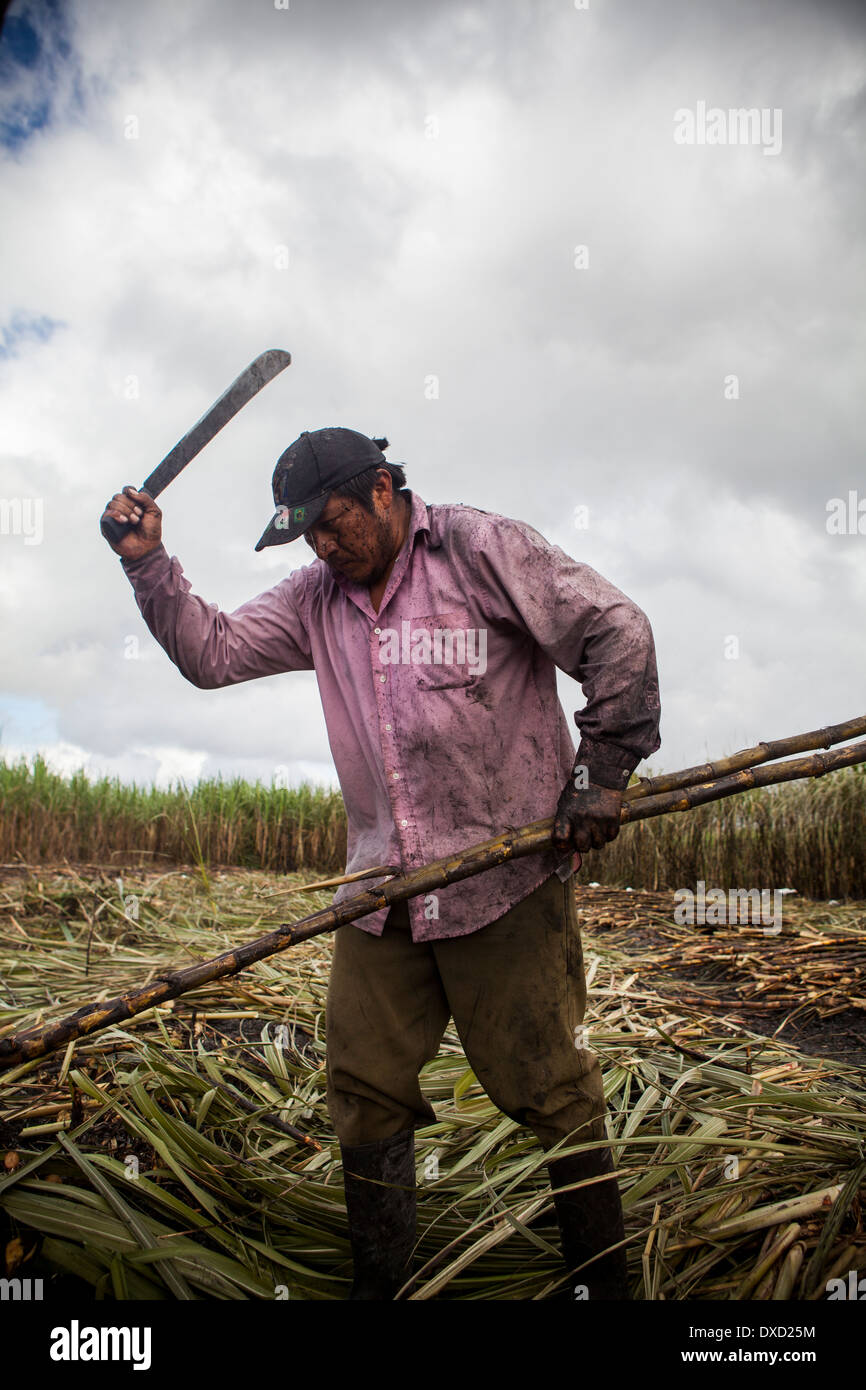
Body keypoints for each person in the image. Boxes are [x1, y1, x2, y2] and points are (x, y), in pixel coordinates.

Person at [101, 426, 661, 1301]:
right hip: (383, 895)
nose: (325, 547)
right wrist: (148, 565)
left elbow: (615, 630)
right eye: (308, 537)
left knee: (551, 1091)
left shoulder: (480, 550)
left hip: (503, 885)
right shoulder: (316, 599)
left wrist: (602, 771)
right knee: (363, 1093)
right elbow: (210, 654)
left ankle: (604, 1287)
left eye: (333, 525)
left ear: (384, 491)